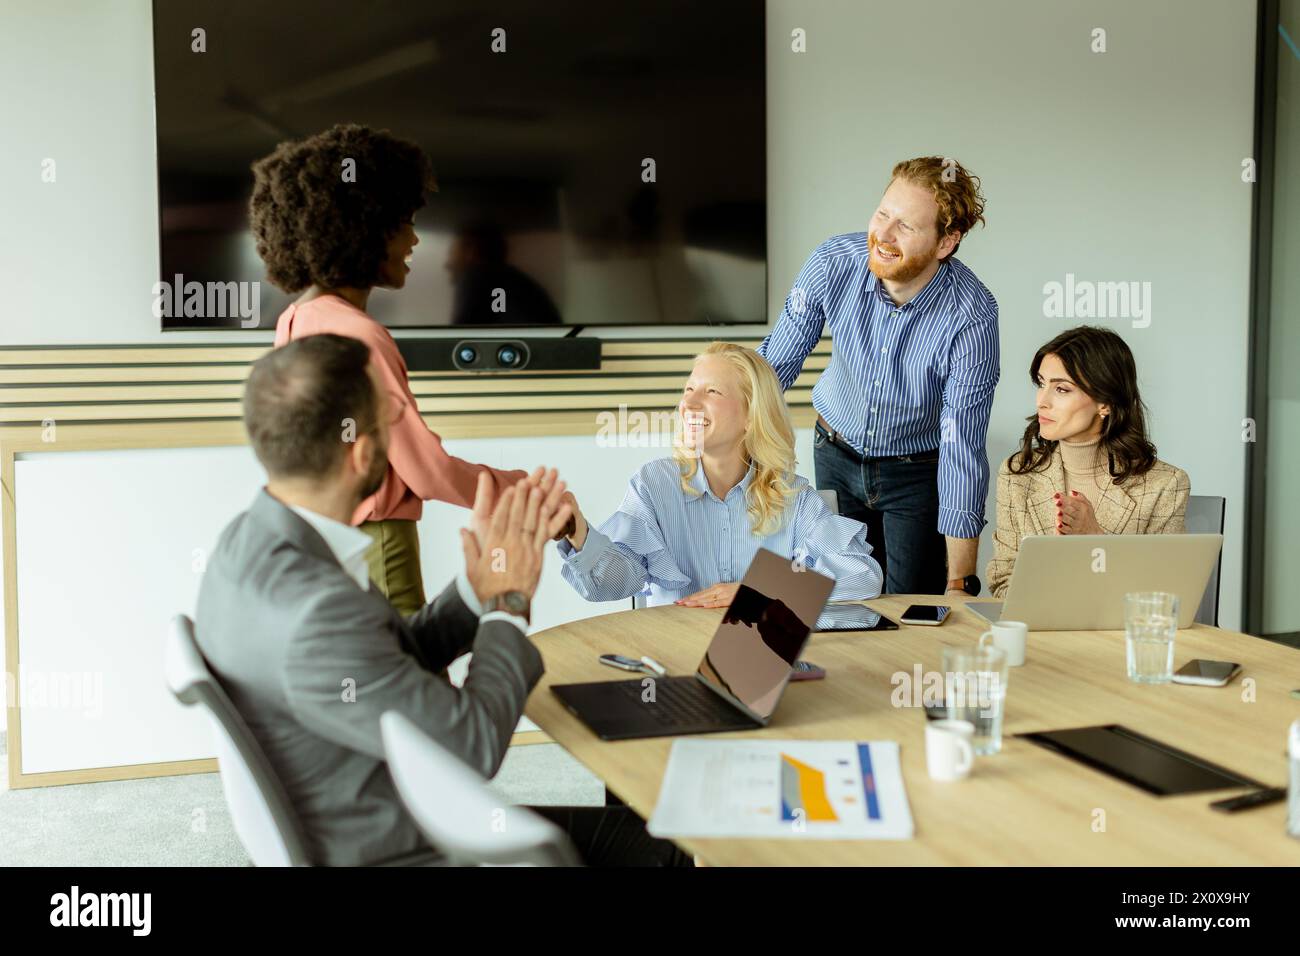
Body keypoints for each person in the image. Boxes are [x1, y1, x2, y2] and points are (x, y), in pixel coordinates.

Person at [194, 334, 689, 866]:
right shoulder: (317, 612)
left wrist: (476, 590)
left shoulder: (247, 545)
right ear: (360, 452)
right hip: (411, 846)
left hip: (383, 818)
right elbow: (472, 744)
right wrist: (508, 602)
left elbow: (382, 657)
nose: (400, 427)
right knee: (677, 848)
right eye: (390, 417)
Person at [250, 123, 529, 615]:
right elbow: (429, 472)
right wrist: (518, 490)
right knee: (409, 659)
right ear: (364, 228)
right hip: (379, 547)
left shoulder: (297, 318)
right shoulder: (359, 337)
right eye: (403, 222)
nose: (414, 239)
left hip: (327, 540)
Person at [757, 157, 999, 600]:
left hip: (917, 474)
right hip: (834, 453)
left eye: (905, 225)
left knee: (913, 608)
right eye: (883, 213)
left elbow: (962, 443)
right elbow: (773, 367)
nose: (883, 235)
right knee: (835, 598)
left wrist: (960, 583)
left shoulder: (972, 316)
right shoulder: (833, 262)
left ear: (946, 242)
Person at [557, 342, 883, 626]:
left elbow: (863, 576)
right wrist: (578, 533)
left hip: (763, 659)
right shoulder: (653, 485)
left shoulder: (793, 497)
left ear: (752, 415)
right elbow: (611, 584)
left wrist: (760, 591)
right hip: (676, 656)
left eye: (712, 391)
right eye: (689, 390)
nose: (689, 404)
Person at [986, 326, 1190, 598]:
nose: (1042, 401)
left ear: (1105, 403)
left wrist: (1096, 539)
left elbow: (1162, 596)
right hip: (1040, 624)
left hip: (1119, 626)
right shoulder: (1018, 474)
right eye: (1041, 383)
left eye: (1061, 389)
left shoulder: (1165, 485)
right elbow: (1003, 580)